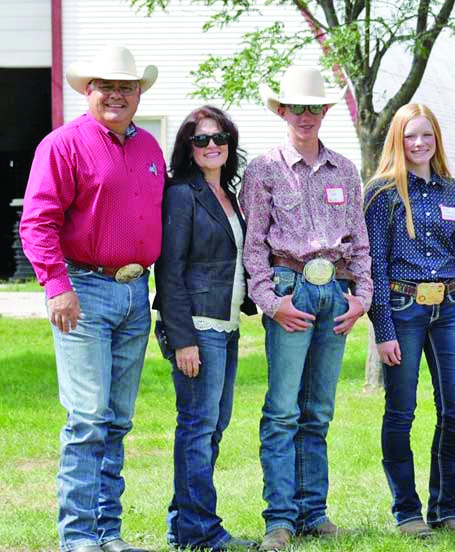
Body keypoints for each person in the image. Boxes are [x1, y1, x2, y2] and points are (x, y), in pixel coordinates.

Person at [18, 44, 164, 552]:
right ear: (89, 91)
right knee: (86, 420)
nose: (117, 94)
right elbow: (37, 221)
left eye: (127, 86)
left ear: (139, 93)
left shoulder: (149, 148)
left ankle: (108, 532)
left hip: (133, 293)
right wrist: (56, 287)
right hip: (84, 289)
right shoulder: (62, 144)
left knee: (118, 421)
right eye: (107, 86)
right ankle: (78, 538)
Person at [241, 66, 373, 551]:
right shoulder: (263, 170)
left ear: (324, 112)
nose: (305, 115)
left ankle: (313, 512)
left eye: (314, 107)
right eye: (296, 107)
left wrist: (362, 297)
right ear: (281, 110)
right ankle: (279, 518)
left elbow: (359, 239)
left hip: (335, 290)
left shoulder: (345, 169)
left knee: (318, 409)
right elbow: (254, 244)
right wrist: (271, 303)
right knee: (282, 410)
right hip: (289, 286)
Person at [364, 104, 455, 537]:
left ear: (436, 139)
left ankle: (445, 509)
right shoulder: (382, 193)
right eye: (410, 136)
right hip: (403, 309)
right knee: (402, 411)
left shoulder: (451, 190)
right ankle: (407, 512)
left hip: (448, 309)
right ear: (398, 139)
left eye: (426, 135)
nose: (419, 143)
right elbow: (374, 265)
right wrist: (384, 330)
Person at [153, 106, 258, 551]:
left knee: (212, 427)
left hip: (227, 325)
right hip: (198, 327)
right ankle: (203, 531)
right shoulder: (182, 195)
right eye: (201, 139)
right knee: (197, 428)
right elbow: (169, 271)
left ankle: (184, 524)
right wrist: (183, 340)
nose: (211, 145)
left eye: (219, 138)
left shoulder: (229, 196)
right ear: (188, 148)